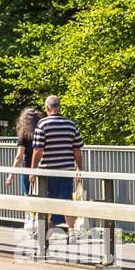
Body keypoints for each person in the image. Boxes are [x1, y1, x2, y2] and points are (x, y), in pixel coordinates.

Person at [30, 95, 83, 239]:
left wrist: (32, 170)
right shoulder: (70, 124)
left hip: (47, 171)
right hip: (66, 170)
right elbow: (77, 149)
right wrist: (79, 169)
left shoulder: (42, 124)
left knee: (46, 201)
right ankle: (71, 233)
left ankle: (43, 232)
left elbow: (38, 150)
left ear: (47, 108)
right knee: (66, 201)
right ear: (59, 107)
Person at [7, 106, 41, 194]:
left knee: (27, 196)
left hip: (27, 168)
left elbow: (19, 156)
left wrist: (11, 175)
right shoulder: (42, 132)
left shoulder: (24, 135)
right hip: (42, 168)